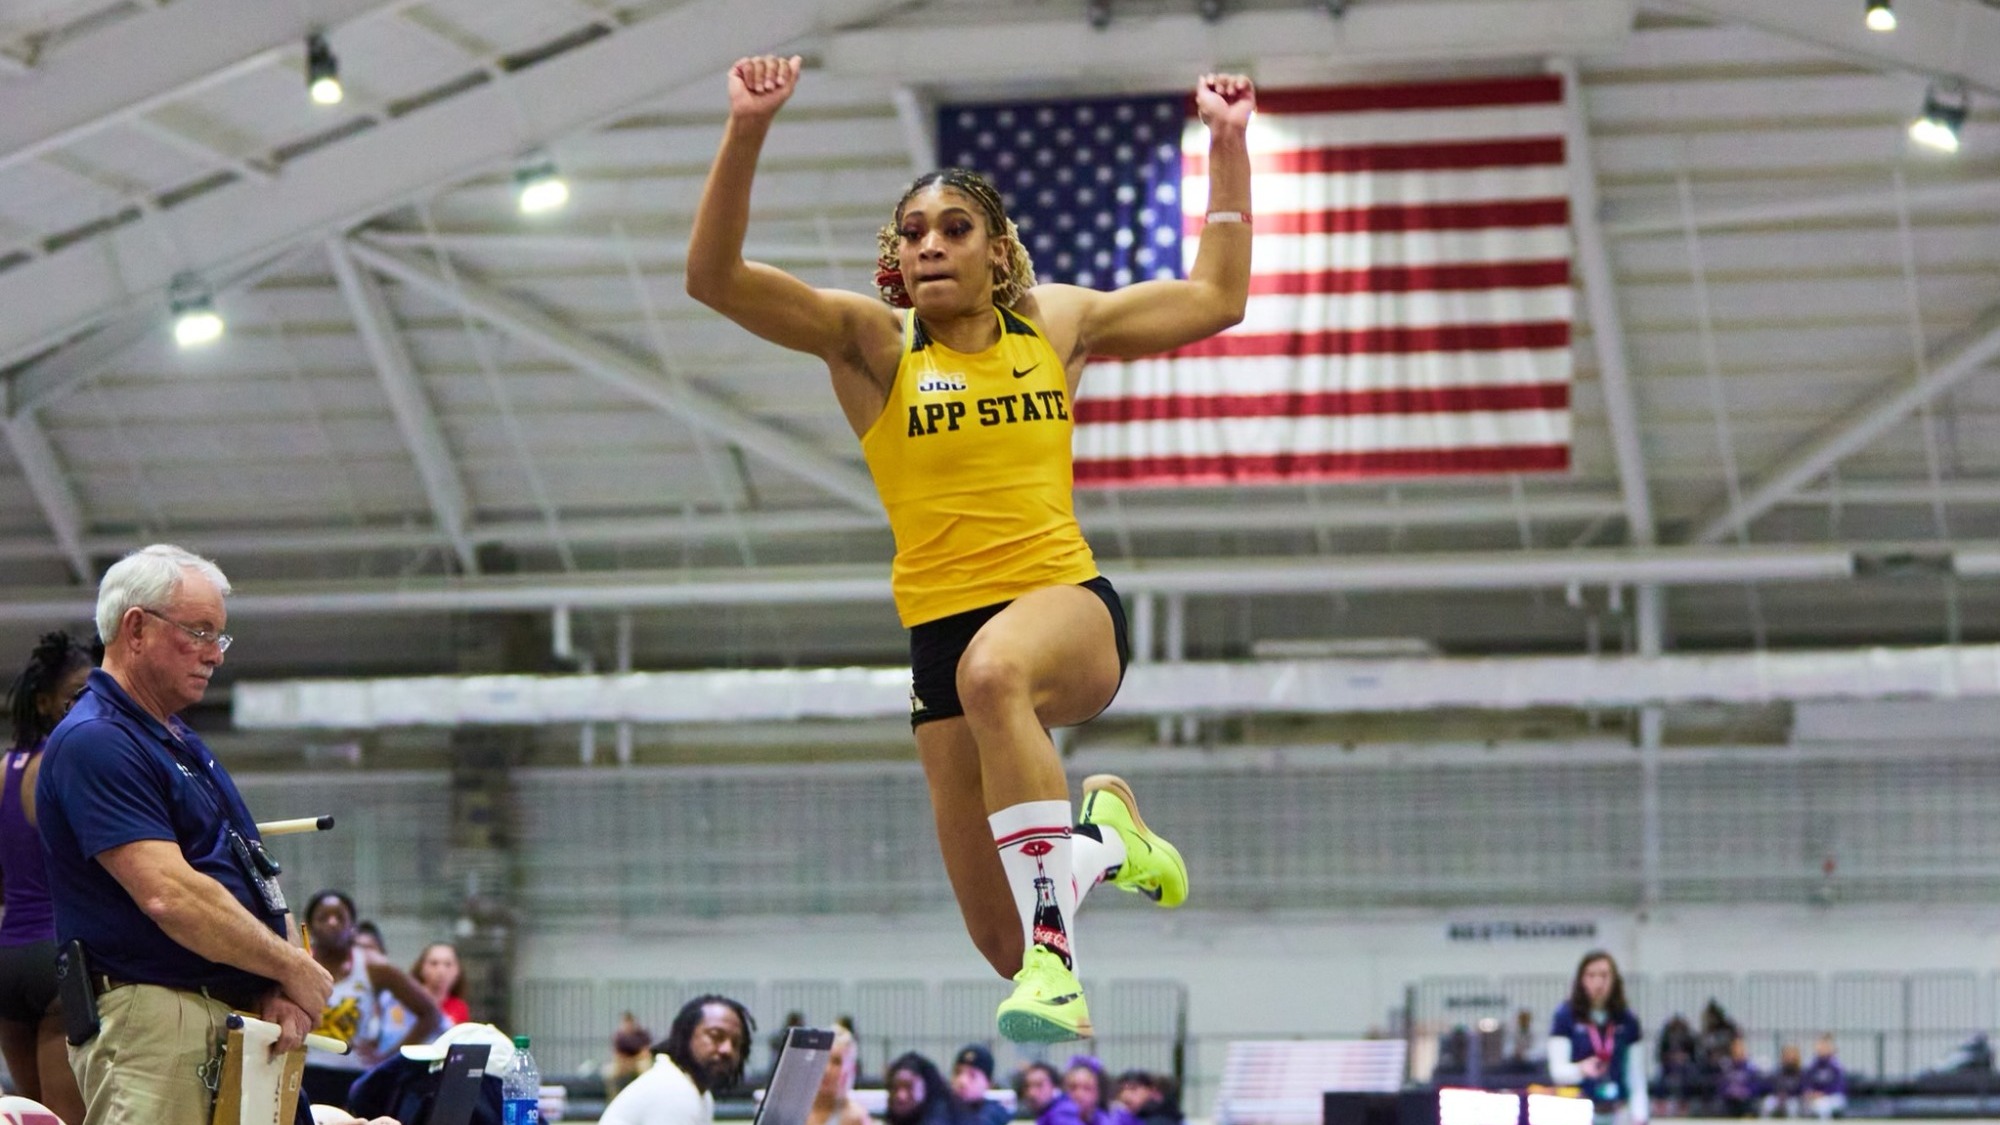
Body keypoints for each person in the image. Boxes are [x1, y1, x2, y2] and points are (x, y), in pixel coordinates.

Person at [687, 53, 1252, 1044]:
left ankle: (1063, 975)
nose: (931, 246)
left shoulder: (1054, 323)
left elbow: (1214, 299)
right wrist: (745, 128)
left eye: (955, 229)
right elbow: (714, 281)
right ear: (894, 262)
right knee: (999, 941)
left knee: (999, 677)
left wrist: (1227, 145)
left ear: (999, 254)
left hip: (1062, 606)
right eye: (913, 234)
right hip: (937, 639)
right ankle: (1103, 840)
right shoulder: (872, 343)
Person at [37, 544, 336, 1125]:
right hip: (157, 1020)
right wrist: (291, 966)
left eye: (219, 638)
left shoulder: (172, 740)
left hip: (224, 1017)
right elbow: (169, 893)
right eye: (199, 632)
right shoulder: (97, 741)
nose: (214, 656)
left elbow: (242, 866)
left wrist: (272, 983)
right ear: (136, 628)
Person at [0, 631, 93, 1124]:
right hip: (58, 958)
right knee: (66, 1118)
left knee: (32, 1117)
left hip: (8, 958)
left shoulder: (4, 769)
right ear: (43, 703)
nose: (87, 703)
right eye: (77, 694)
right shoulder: (72, 764)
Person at [300, 890, 441, 1108]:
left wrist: (389, 1058)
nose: (332, 923)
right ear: (308, 926)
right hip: (304, 1073)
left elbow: (430, 1013)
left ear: (353, 926)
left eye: (340, 917)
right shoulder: (298, 963)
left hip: (353, 1077)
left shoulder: (372, 966)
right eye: (323, 917)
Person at [600, 994, 755, 1125]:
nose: (727, 1049)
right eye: (715, 1036)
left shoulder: (700, 1094)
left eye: (736, 1043)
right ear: (686, 1036)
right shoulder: (674, 1090)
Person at [1548, 950, 1648, 1125]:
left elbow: (1636, 1076)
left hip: (1618, 1111)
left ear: (1614, 980)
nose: (1598, 982)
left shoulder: (1627, 1019)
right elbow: (1557, 1072)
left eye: (1604, 975)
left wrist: (1640, 1116)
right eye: (1591, 975)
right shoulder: (1565, 1016)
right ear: (1581, 980)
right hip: (1577, 1111)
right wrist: (1581, 1069)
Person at [806, 1025, 871, 1125]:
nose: (827, 1070)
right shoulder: (793, 1111)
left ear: (850, 1069)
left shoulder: (855, 1118)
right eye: (822, 1059)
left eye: (836, 1062)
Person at [883, 1052, 963, 1125]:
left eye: (909, 1087)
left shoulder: (941, 1117)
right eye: (895, 1088)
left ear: (925, 1089)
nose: (900, 1096)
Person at [411, 941, 471, 1026]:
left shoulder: (459, 1008)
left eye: (448, 964)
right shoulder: (408, 1003)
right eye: (434, 964)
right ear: (421, 968)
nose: (441, 971)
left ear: (457, 971)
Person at [950, 1044, 1011, 1125]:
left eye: (972, 1075)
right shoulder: (944, 1111)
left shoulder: (993, 1115)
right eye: (958, 1073)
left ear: (988, 1083)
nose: (962, 1081)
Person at [1061, 1057, 1132, 1125]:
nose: (1079, 1094)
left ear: (1099, 1092)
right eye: (1073, 1087)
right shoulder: (1055, 1118)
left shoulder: (1113, 1119)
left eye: (1087, 1088)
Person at [607, 1010, 657, 1100]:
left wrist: (634, 1060)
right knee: (610, 1072)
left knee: (645, 1067)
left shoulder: (642, 1034)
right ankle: (613, 1099)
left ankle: (648, 1097)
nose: (628, 1026)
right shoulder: (619, 1036)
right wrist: (627, 1062)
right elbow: (618, 1055)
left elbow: (645, 1053)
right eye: (625, 1023)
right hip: (625, 1063)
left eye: (629, 1023)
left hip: (638, 1061)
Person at [1800, 1035, 1846, 1120]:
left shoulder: (1836, 1066)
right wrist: (1810, 1092)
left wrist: (1823, 1093)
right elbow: (1806, 1083)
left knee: (1823, 1105)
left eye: (1825, 1046)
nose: (1821, 1048)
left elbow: (1839, 1086)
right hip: (1815, 1097)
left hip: (1834, 1097)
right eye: (1820, 1046)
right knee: (1801, 1104)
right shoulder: (1812, 1065)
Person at [1716, 1038, 1763, 1118]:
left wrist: (1745, 1092)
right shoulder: (1726, 1066)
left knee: (1752, 1106)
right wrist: (1730, 1092)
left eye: (1741, 1049)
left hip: (1746, 1100)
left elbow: (1756, 1086)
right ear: (1732, 1050)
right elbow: (1721, 1085)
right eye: (1736, 1049)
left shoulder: (1751, 1067)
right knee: (1719, 1106)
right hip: (1729, 1101)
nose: (1738, 1051)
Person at [1114, 1071, 1182, 1125]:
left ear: (1153, 1092)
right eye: (1121, 1090)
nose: (1125, 1096)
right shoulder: (1130, 1117)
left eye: (1133, 1089)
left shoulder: (1160, 1120)